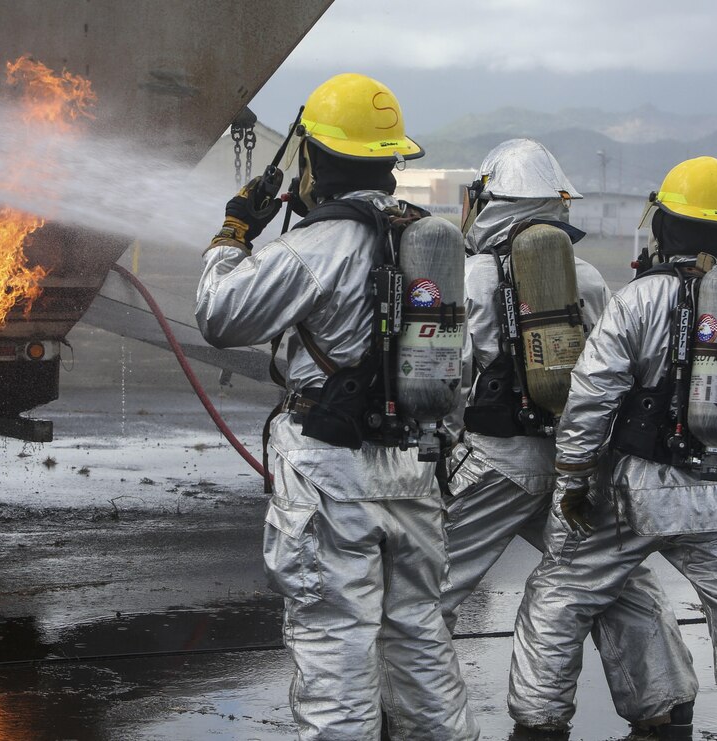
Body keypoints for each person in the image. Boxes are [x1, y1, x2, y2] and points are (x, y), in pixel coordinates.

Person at [195, 73, 478, 740]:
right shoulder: (435, 247)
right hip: (414, 467)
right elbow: (459, 365)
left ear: (316, 160)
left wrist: (234, 232)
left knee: (337, 644)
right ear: (388, 162)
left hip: (331, 469)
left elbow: (219, 314)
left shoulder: (316, 245)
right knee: (420, 639)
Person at [507, 156, 717, 740]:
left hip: (634, 491)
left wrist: (572, 476)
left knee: (559, 597)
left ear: (666, 224)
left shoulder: (639, 300)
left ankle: (540, 726)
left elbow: (591, 397)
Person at [446, 139, 699, 739]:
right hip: (572, 463)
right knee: (617, 582)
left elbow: (450, 377)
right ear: (555, 204)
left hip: (497, 463)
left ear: (490, 201)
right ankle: (664, 705)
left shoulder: (471, 275)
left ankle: (403, 708)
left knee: (429, 581)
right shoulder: (585, 277)